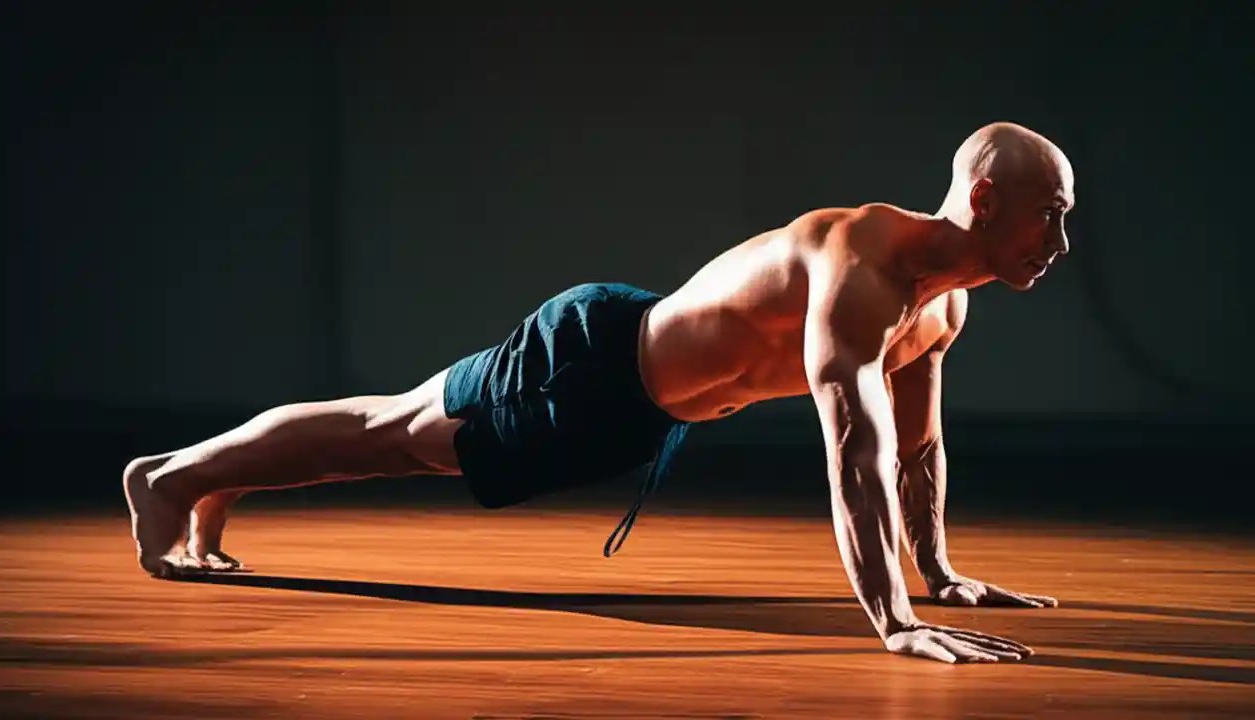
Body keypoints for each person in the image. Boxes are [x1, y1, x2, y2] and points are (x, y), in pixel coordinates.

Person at [125, 121, 1073, 664]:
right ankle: (171, 480)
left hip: (640, 412)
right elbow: (854, 457)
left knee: (394, 440)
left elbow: (916, 450)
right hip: (593, 360)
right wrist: (895, 621)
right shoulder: (861, 269)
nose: (1058, 246)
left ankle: (216, 482)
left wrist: (938, 570)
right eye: (1049, 217)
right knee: (395, 432)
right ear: (983, 200)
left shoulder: (941, 315)